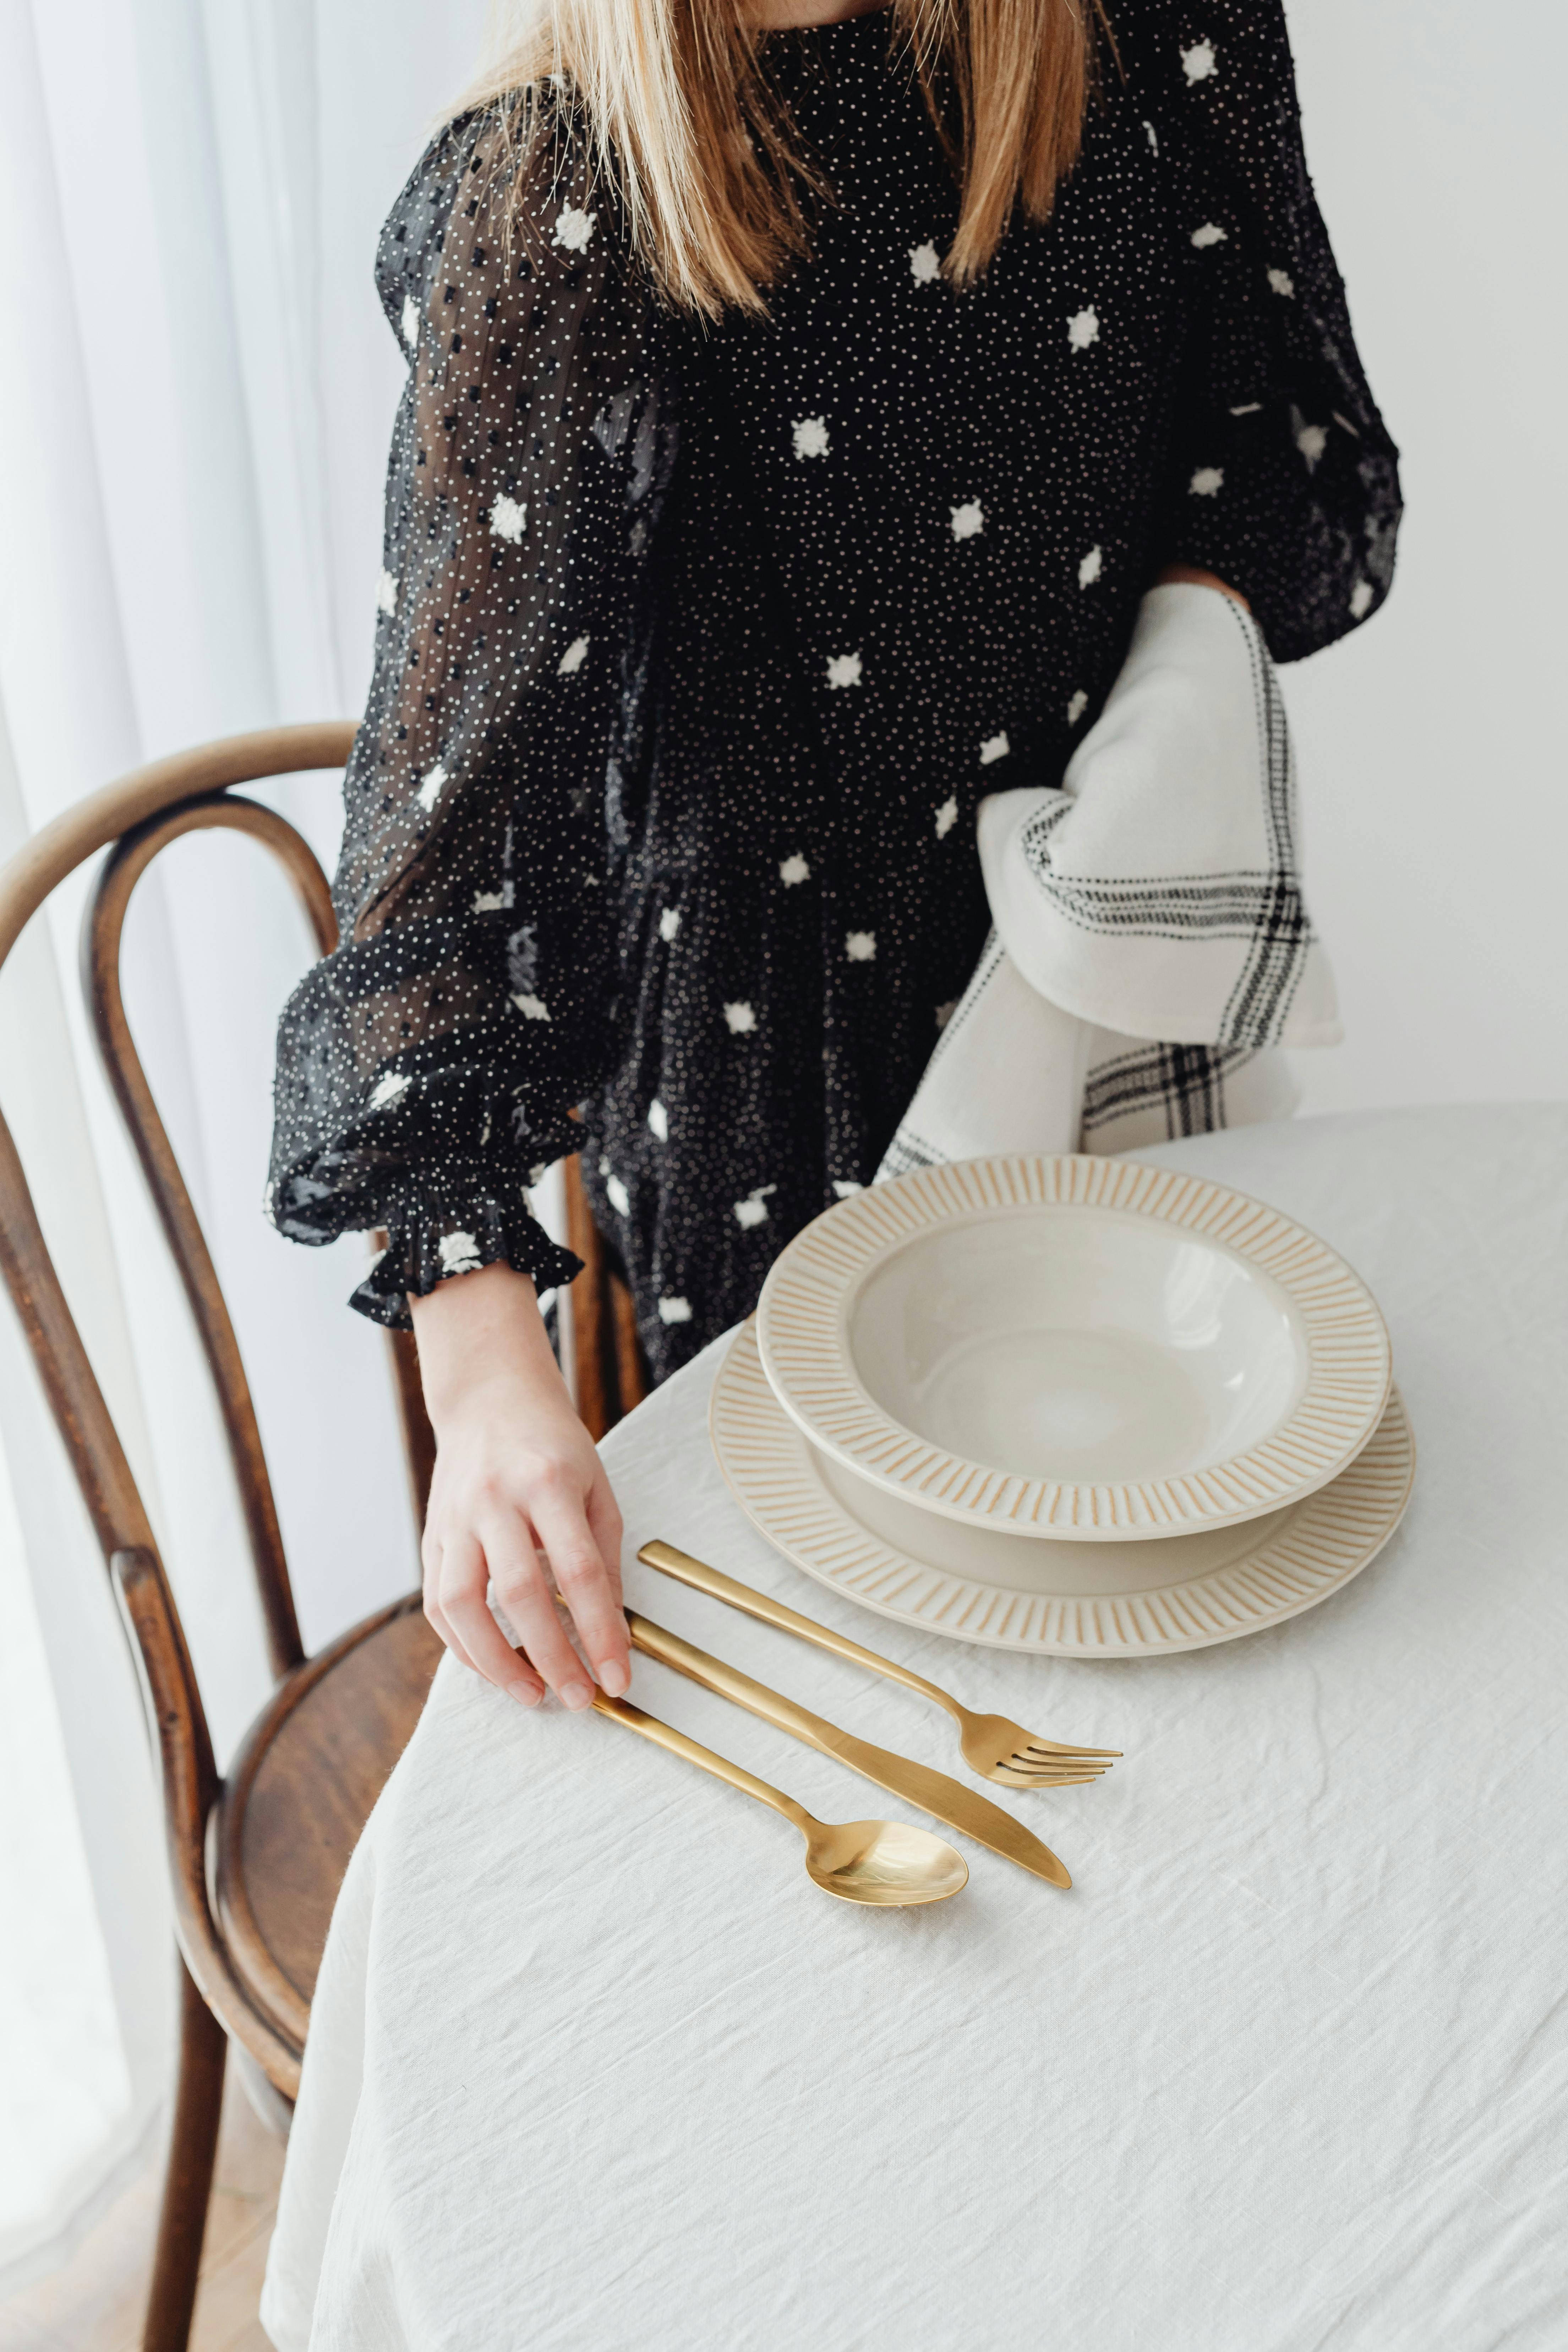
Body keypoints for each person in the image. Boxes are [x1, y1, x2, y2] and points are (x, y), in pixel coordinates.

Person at [267, 0, 1400, 1715]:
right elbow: (445, 869)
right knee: (886, 1690)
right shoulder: (561, 202)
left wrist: (1139, 806)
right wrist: (489, 1376)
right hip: (764, 1099)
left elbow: (1255, 448)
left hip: (1093, 995)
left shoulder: (1155, 33)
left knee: (1179, 1632)